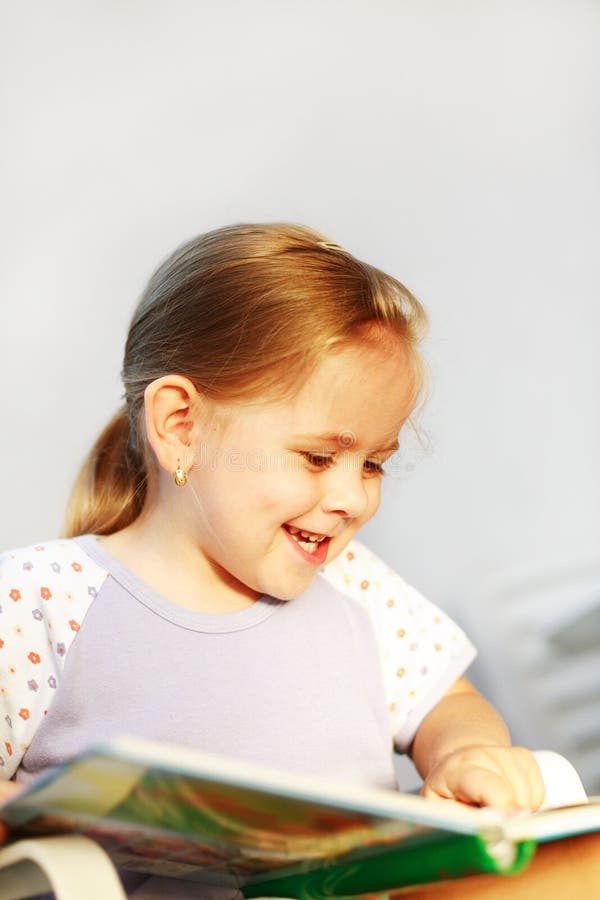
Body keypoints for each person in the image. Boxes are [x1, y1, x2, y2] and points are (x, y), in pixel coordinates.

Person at [0, 223, 597, 897]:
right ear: (180, 426)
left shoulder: (354, 586)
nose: (352, 499)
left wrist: (468, 755)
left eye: (372, 464)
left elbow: (449, 700)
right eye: (317, 457)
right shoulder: (39, 599)